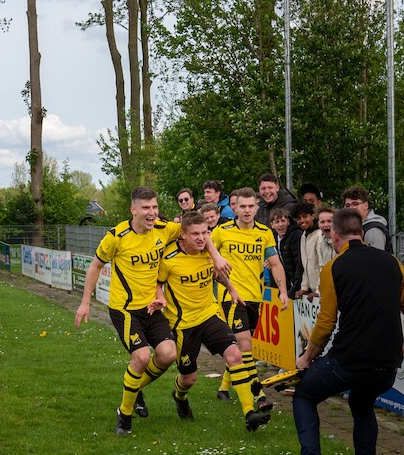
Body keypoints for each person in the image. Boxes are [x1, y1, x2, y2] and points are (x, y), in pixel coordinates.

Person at [284, 207, 404, 455]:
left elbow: (325, 322)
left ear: (334, 235)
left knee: (305, 395)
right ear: (361, 232)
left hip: (349, 359)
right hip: (386, 364)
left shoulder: (334, 268)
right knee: (362, 405)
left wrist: (306, 358)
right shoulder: (392, 262)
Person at [76, 186, 229, 435]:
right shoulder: (117, 236)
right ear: (133, 209)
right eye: (146, 208)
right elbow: (95, 266)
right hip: (125, 310)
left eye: (155, 207)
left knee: (168, 354)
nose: (152, 213)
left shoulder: (164, 229)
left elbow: (197, 231)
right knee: (142, 358)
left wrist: (215, 255)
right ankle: (124, 415)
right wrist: (85, 302)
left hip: (152, 307)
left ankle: (135, 390)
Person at [152, 211, 268, 428]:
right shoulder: (168, 258)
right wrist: (160, 298)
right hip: (183, 324)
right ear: (183, 235)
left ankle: (249, 412)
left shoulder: (208, 251)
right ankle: (180, 396)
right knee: (189, 378)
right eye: (195, 233)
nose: (201, 238)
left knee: (235, 354)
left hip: (210, 314)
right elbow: (157, 282)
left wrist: (232, 289)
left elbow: (218, 274)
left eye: (205, 232)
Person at [211, 187, 287, 417]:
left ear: (256, 207)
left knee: (241, 349)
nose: (246, 210)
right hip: (231, 297)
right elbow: (206, 252)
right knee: (245, 346)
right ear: (235, 208)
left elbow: (275, 263)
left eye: (250, 206)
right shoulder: (221, 231)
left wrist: (283, 291)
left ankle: (224, 388)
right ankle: (258, 395)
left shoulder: (264, 232)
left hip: (256, 297)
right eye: (241, 206)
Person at [342, 185, 392, 253]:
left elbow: (376, 260)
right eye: (347, 205)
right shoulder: (356, 227)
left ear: (366, 205)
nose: (351, 208)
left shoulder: (373, 230)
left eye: (355, 204)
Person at [300, 205, 336, 297]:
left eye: (329, 221)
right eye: (322, 222)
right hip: (325, 293)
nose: (326, 224)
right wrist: (305, 287)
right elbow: (322, 268)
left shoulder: (342, 242)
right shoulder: (323, 241)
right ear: (318, 223)